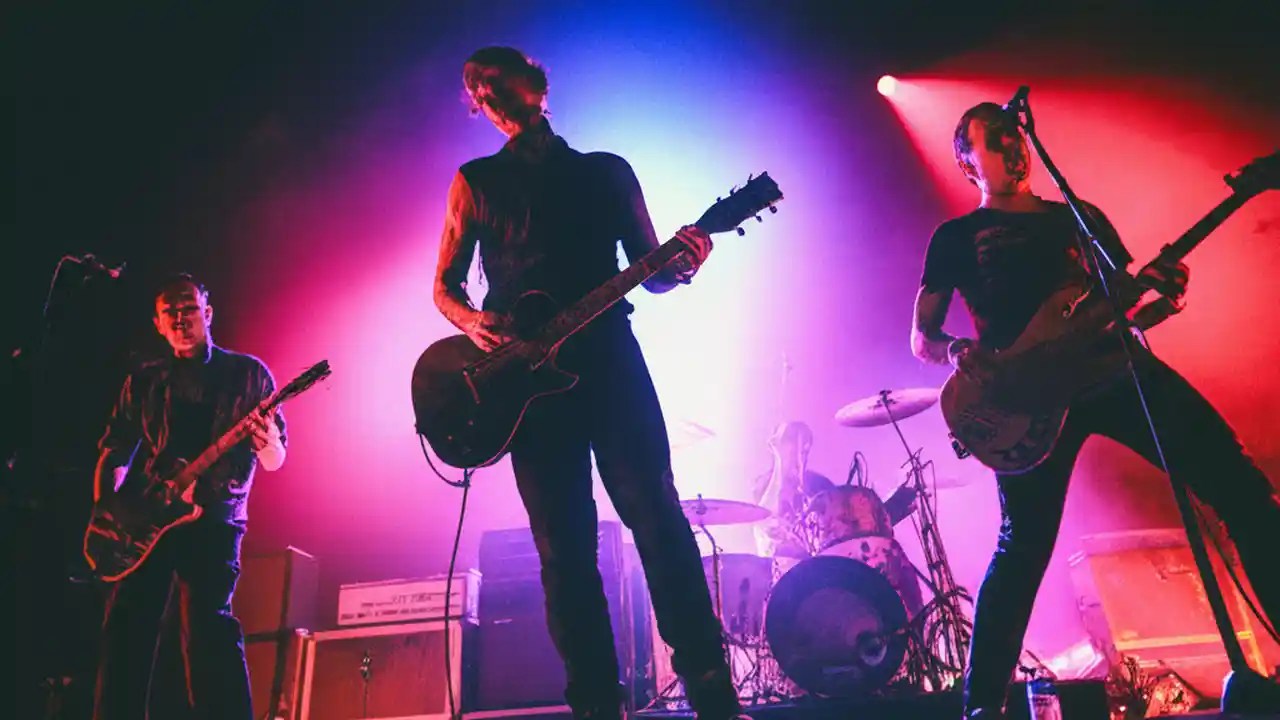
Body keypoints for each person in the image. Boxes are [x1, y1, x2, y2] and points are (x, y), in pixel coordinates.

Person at [911, 102, 1280, 718]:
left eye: (1013, 133)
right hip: (1026, 399)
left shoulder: (1078, 218)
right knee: (1022, 547)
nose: (1011, 144)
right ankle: (983, 708)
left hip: (1114, 372)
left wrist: (1164, 298)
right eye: (993, 138)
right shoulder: (956, 237)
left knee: (1241, 488)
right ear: (967, 162)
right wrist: (956, 350)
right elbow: (921, 338)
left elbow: (1123, 308)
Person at [432, 47, 742, 720]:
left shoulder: (605, 171)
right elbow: (444, 287)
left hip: (608, 361)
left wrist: (685, 262)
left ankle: (711, 691)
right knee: (563, 549)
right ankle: (597, 705)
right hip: (526, 387)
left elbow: (652, 272)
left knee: (656, 515)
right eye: (478, 92)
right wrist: (475, 322)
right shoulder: (475, 181)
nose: (488, 97)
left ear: (536, 85)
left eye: (495, 83)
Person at [92, 273, 287, 720]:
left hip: (215, 520)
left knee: (207, 631)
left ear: (208, 314)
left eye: (189, 310)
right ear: (158, 324)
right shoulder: (145, 380)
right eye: (171, 313)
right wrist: (108, 511)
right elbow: (115, 450)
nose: (181, 320)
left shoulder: (248, 375)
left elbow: (275, 460)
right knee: (125, 625)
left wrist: (268, 441)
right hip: (150, 520)